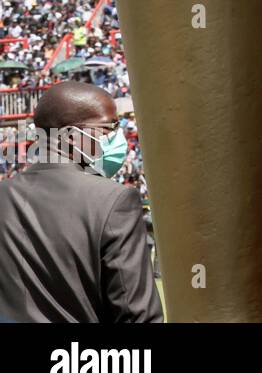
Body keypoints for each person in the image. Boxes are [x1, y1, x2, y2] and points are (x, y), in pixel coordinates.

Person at [0, 81, 161, 322]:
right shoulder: (114, 201)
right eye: (109, 129)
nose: (118, 139)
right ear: (72, 137)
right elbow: (137, 315)